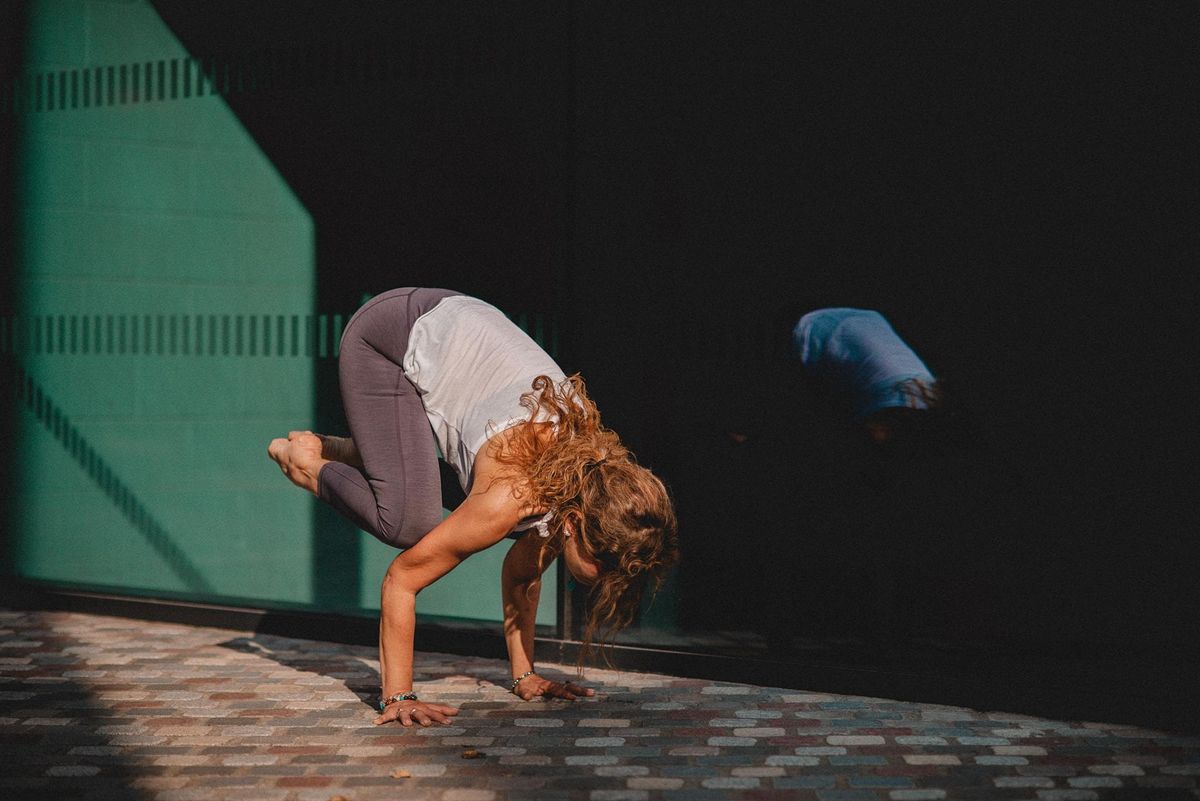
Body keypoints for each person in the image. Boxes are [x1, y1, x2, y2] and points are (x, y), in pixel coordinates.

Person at [267, 288, 679, 727]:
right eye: (602, 569)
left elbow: (522, 574)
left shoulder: (586, 483)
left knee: (504, 519)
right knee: (409, 523)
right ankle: (305, 462)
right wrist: (398, 696)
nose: (606, 582)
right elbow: (402, 580)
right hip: (389, 337)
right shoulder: (511, 496)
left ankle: (348, 449)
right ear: (577, 524)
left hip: (453, 323)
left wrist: (526, 676)